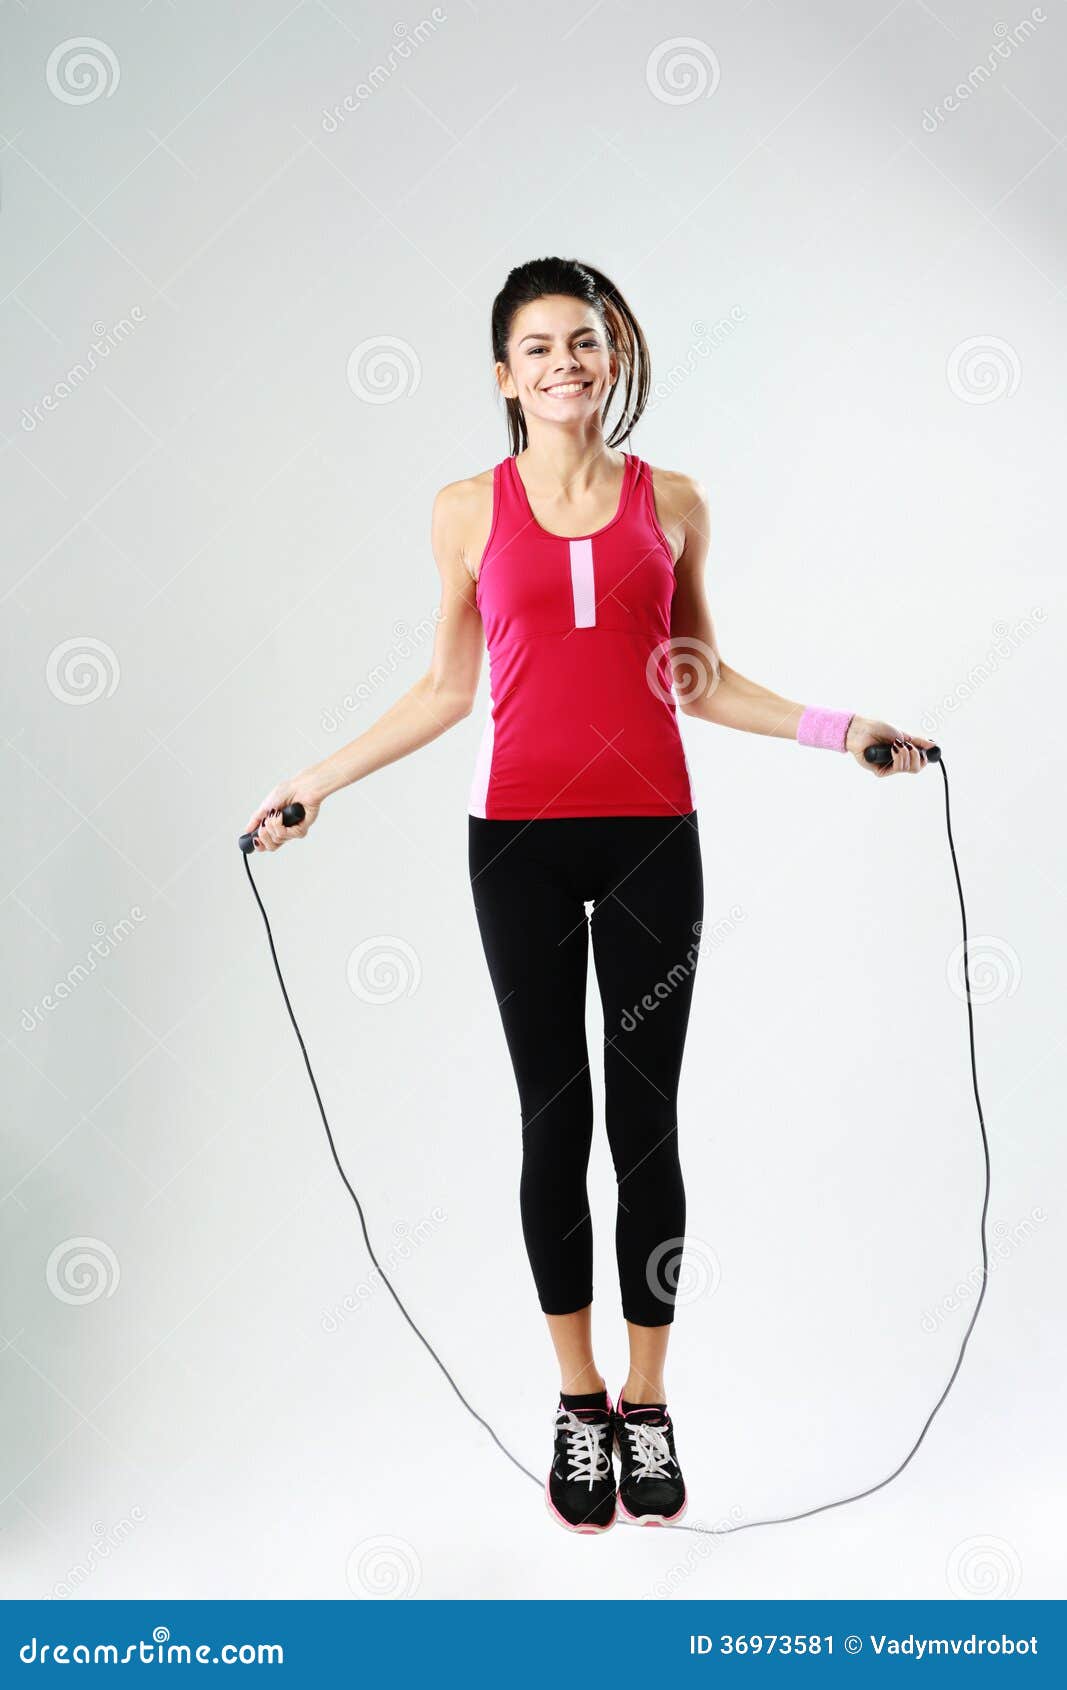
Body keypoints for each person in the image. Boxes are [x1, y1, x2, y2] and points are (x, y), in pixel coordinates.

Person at [244, 256, 934, 1536]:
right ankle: (576, 1401)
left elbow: (696, 675)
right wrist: (314, 782)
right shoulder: (463, 511)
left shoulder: (669, 502)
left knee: (647, 1127)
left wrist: (842, 730)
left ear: (610, 360)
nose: (566, 361)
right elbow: (447, 691)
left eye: (585, 341)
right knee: (551, 1123)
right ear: (502, 376)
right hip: (514, 843)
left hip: (648, 842)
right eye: (539, 346)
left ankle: (649, 1397)